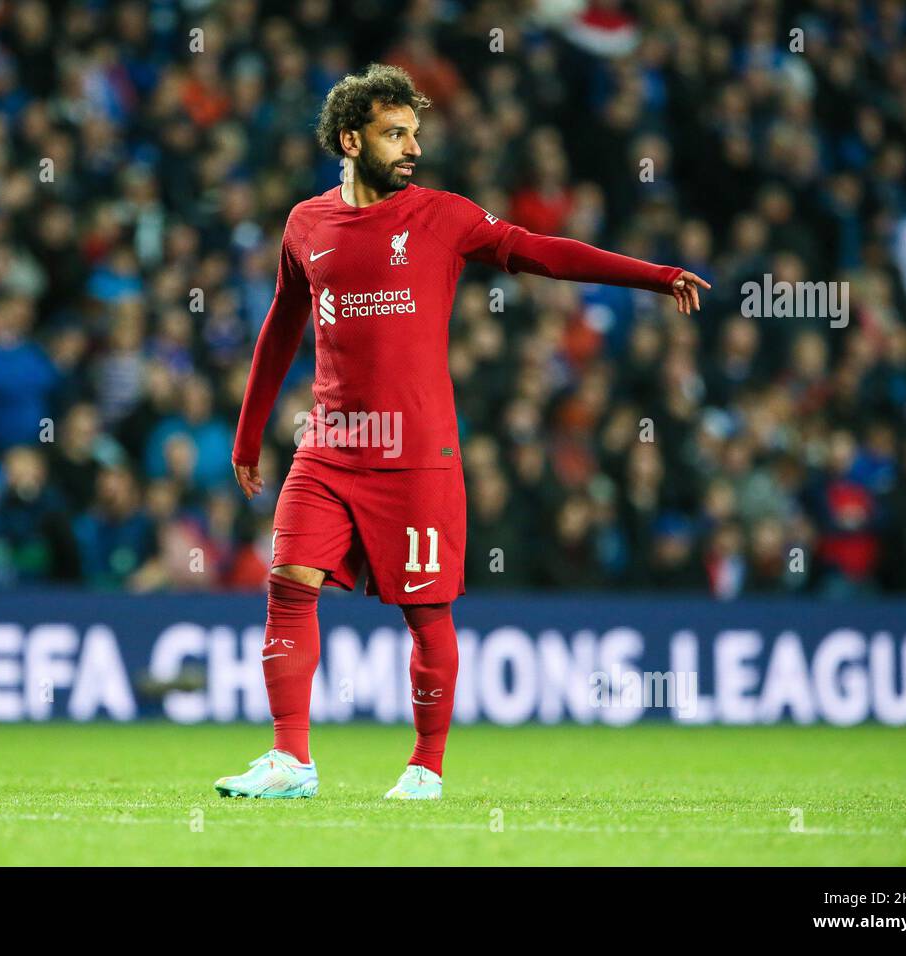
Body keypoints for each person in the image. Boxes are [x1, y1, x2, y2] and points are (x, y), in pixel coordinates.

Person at [214, 64, 708, 801]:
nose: (412, 146)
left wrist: (652, 274)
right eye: (395, 133)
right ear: (350, 139)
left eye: (416, 132)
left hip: (417, 453)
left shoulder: (444, 217)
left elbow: (542, 251)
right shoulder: (304, 225)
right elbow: (280, 328)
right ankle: (291, 762)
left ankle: (426, 768)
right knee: (289, 584)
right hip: (329, 444)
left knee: (426, 612)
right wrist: (249, 437)